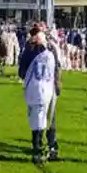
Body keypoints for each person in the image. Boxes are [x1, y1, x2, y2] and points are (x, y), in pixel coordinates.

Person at [19, 24, 61, 162]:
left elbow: (22, 72)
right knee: (47, 118)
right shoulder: (51, 49)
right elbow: (57, 67)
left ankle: (38, 146)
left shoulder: (28, 51)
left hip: (33, 88)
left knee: (35, 118)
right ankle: (48, 144)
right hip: (48, 87)